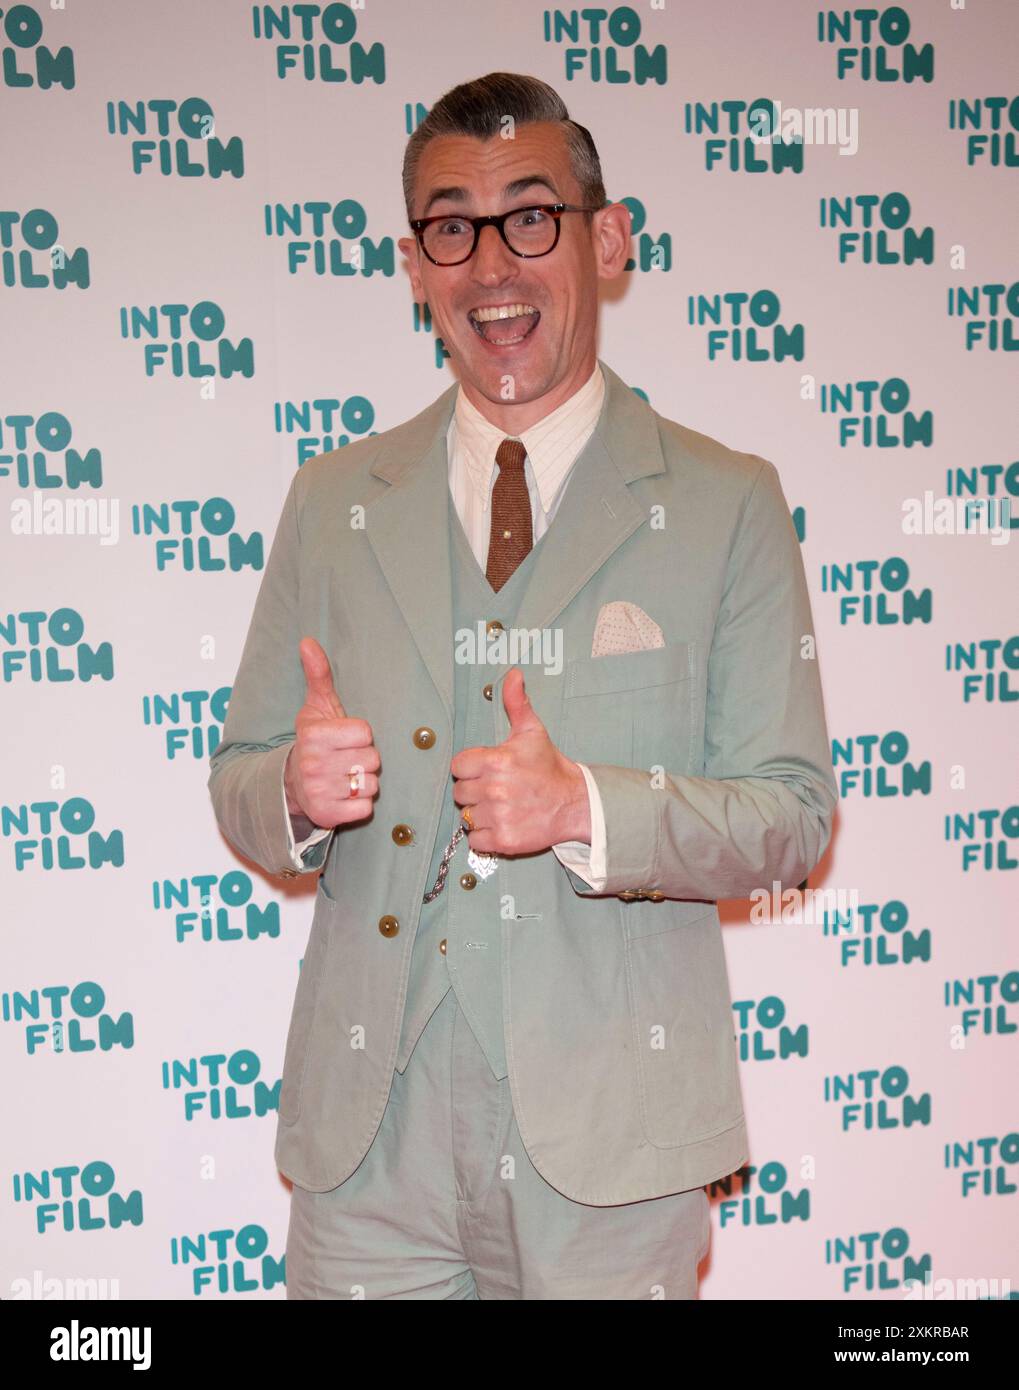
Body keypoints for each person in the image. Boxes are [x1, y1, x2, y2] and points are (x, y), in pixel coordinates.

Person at [207, 71, 838, 1300]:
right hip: (366, 1156)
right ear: (414, 261)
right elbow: (238, 787)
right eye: (452, 226)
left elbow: (792, 818)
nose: (491, 265)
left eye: (529, 217)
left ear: (607, 238)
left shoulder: (725, 503)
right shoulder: (330, 503)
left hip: (611, 1156)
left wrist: (582, 809)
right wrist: (286, 789)